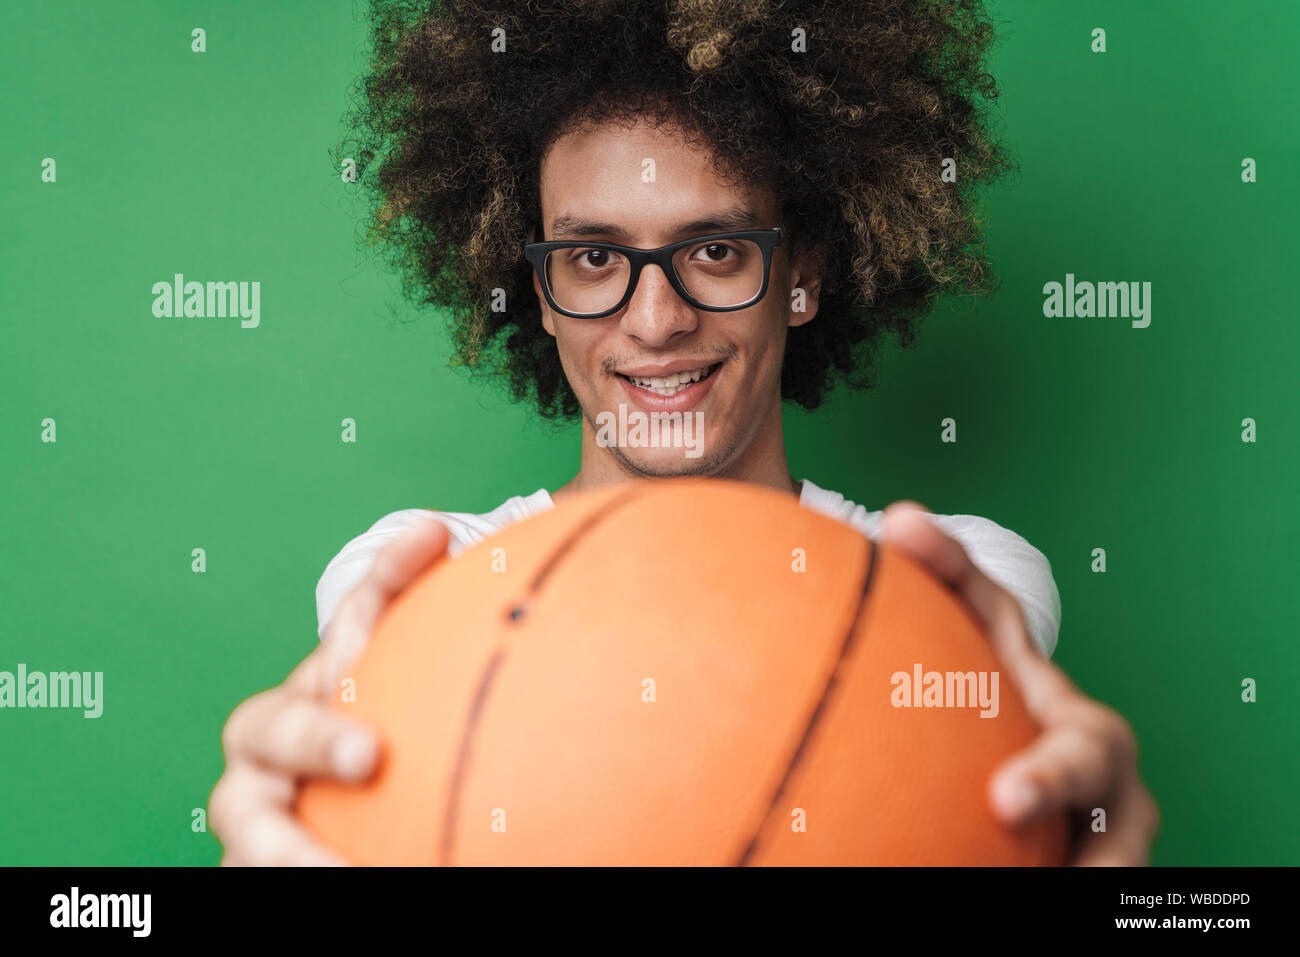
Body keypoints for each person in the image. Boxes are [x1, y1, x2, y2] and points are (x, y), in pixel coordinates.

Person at [209, 0, 1158, 865]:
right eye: (592, 257)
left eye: (714, 249)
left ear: (802, 278)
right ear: (541, 293)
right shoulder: (423, 574)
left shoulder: (951, 577)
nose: (656, 319)